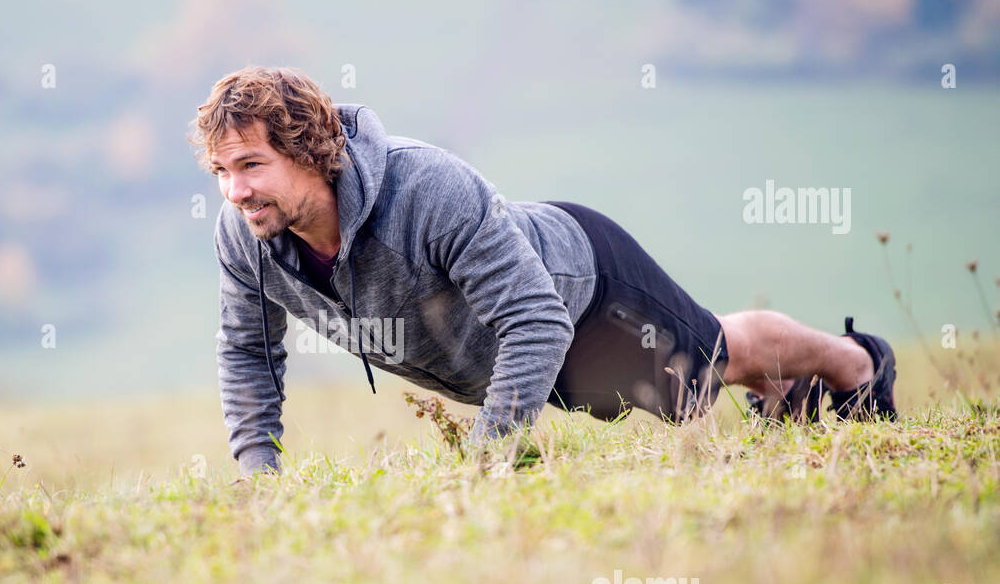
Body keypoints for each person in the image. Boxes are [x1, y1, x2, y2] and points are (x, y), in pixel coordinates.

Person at [188, 66, 897, 477]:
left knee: (708, 367)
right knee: (689, 391)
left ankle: (857, 363)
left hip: (581, 289)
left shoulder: (426, 188)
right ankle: (788, 390)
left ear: (313, 151)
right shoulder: (244, 235)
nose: (235, 191)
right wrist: (261, 482)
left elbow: (535, 317)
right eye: (222, 170)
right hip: (502, 357)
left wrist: (488, 461)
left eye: (252, 165)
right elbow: (247, 351)